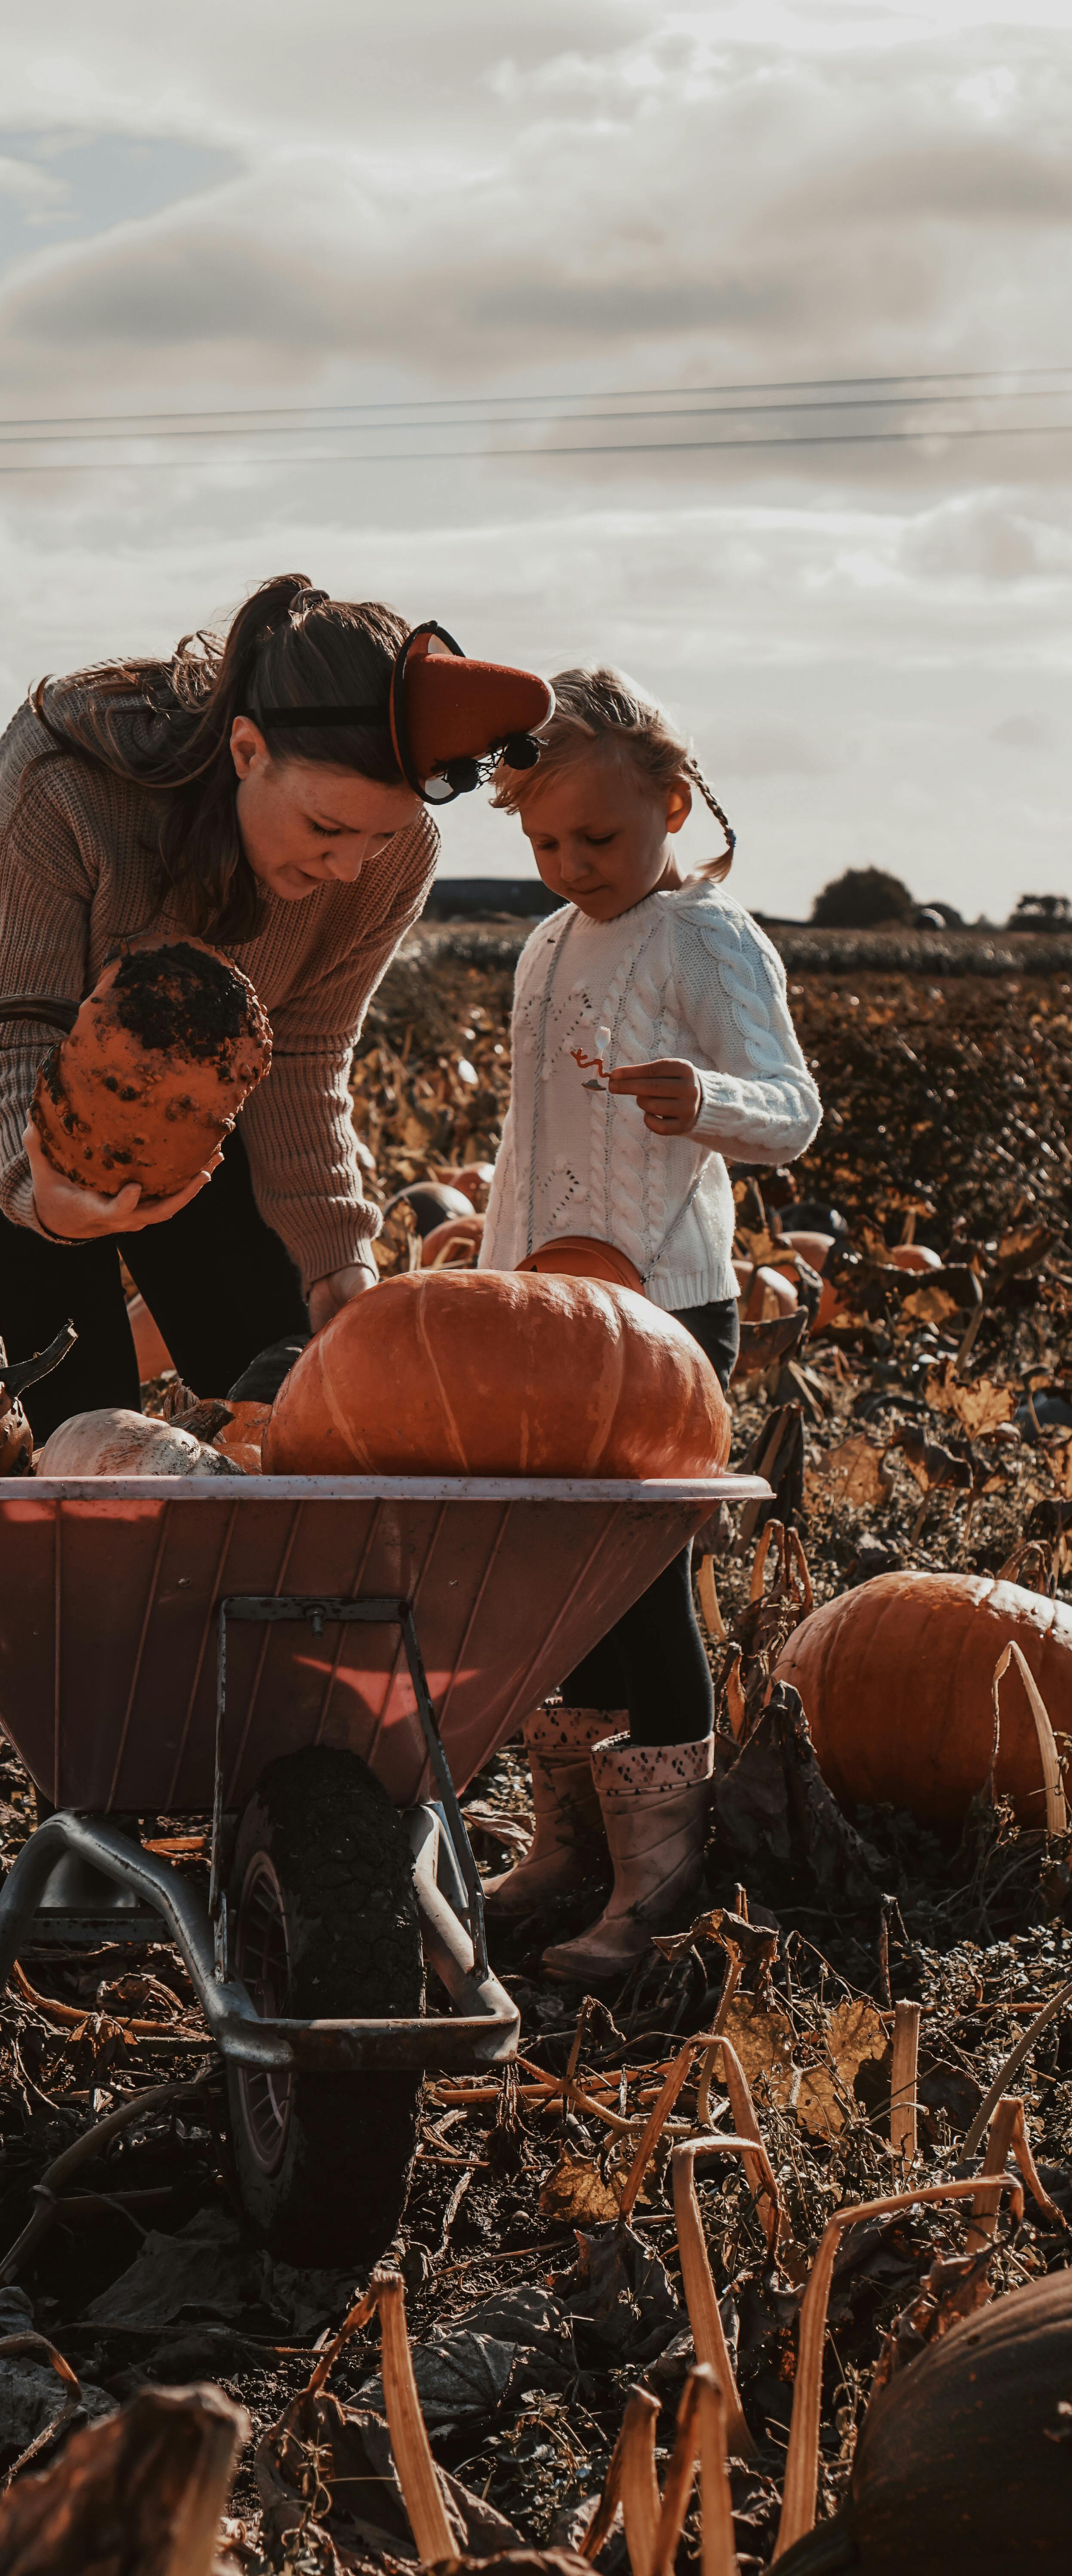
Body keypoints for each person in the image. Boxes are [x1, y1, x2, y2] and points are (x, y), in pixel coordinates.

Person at [0, 574, 550, 1434]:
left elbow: (302, 1058)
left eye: (377, 837)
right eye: (324, 830)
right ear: (245, 751)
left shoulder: (389, 861)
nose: (348, 867)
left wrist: (335, 1258)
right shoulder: (67, 787)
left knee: (281, 1381)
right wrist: (45, 1194)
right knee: (80, 1408)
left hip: (205, 1059)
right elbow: (16, 1030)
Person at [477, 668, 821, 1982]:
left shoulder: (707, 939)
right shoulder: (549, 942)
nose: (573, 867)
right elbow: (529, 1145)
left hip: (667, 1312)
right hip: (544, 1305)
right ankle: (576, 1848)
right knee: (556, 1586)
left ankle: (663, 1875)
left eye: (601, 839)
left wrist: (708, 1096)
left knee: (642, 1575)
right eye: (545, 843)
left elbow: (793, 1109)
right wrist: (491, 1282)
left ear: (674, 804)